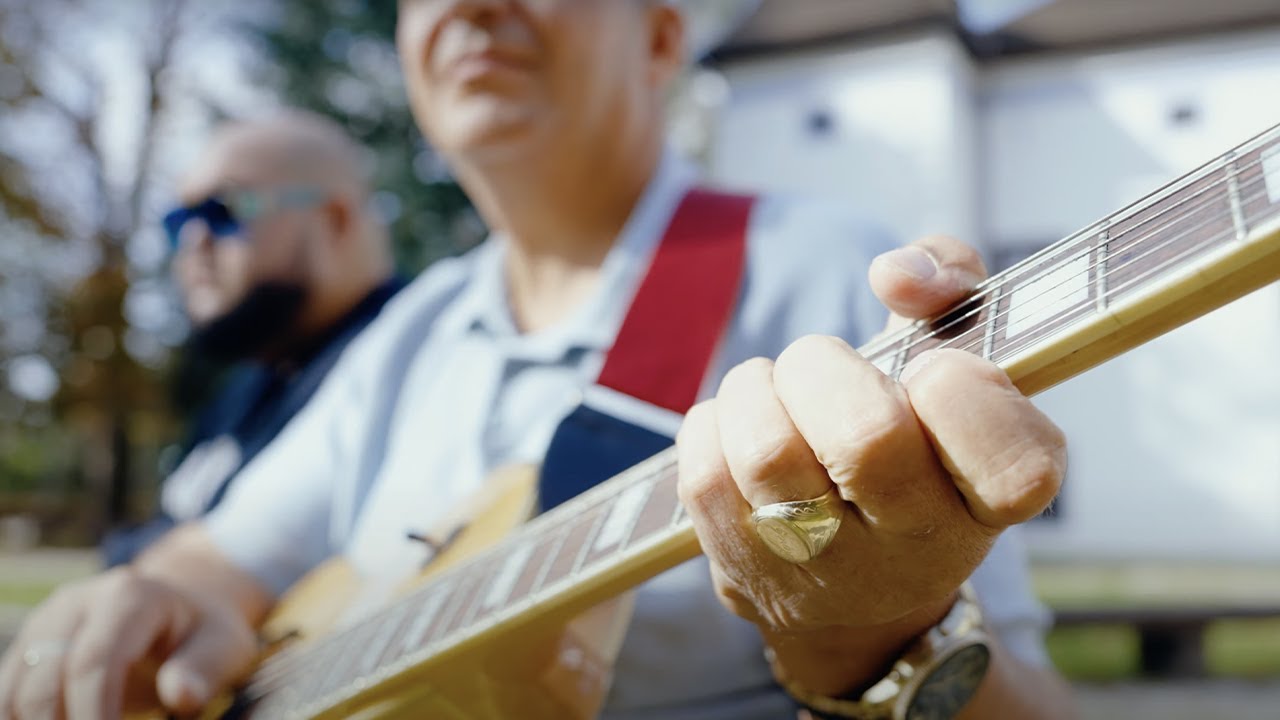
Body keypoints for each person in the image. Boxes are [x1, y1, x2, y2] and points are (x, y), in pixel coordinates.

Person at [0, 2, 1075, 719]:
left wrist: (882, 637)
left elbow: (1029, 699)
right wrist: (145, 599)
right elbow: (224, 559)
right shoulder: (410, 331)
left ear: (658, 42)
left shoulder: (826, 265)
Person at [101, 111, 404, 566]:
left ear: (334, 220)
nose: (194, 240)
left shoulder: (419, 359)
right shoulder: (245, 388)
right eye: (178, 220)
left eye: (224, 211)